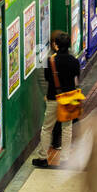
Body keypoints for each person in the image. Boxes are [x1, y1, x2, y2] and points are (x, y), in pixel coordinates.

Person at [32, 30, 81, 168]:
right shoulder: (74, 61)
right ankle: (65, 159)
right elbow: (76, 77)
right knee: (67, 129)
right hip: (70, 97)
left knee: (47, 128)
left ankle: (42, 158)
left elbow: (48, 78)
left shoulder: (51, 60)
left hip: (54, 98)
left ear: (56, 45)